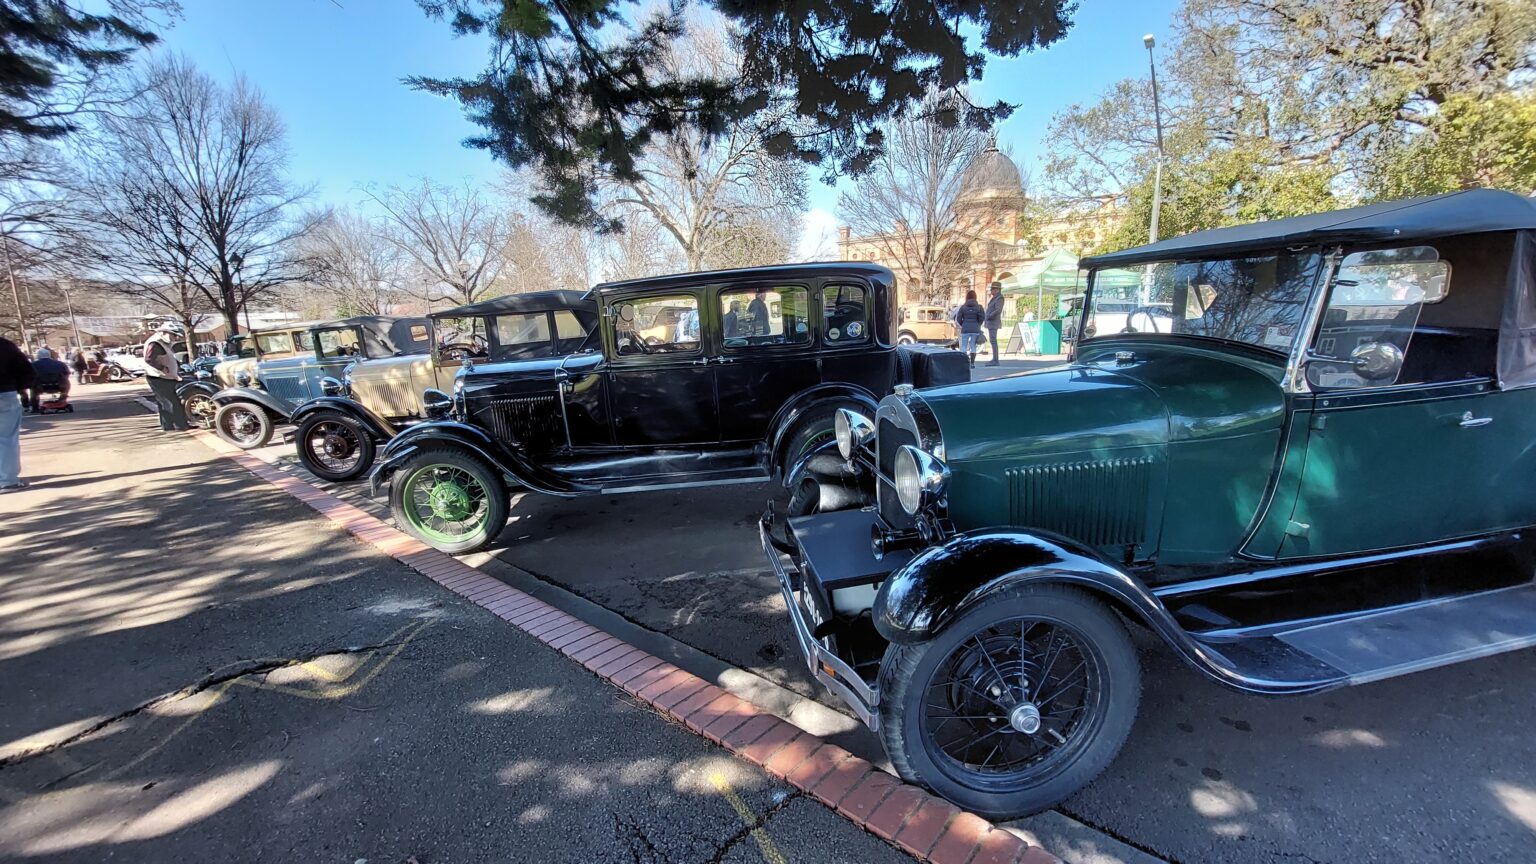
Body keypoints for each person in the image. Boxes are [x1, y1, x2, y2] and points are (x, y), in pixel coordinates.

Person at [143, 323, 190, 431]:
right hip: (158, 377)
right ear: (164, 332)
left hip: (163, 376)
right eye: (173, 335)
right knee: (171, 402)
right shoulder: (155, 343)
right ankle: (181, 425)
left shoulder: (161, 342)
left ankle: (167, 425)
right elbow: (149, 359)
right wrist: (162, 368)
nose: (175, 338)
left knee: (164, 402)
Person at [0, 336, 31, 491]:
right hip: (5, 392)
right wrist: (22, 388)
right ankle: (7, 480)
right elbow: (26, 370)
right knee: (6, 438)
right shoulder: (5, 345)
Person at [27, 347, 70, 413]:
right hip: (59, 386)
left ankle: (34, 407)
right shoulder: (60, 364)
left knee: (33, 387)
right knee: (67, 382)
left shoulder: (34, 365)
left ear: (39, 356)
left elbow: (29, 375)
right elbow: (67, 373)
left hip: (40, 387)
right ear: (49, 355)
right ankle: (62, 397)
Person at [953, 289, 986, 368]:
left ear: (967, 297)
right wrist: (978, 324)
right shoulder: (979, 307)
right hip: (975, 329)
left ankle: (964, 363)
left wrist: (963, 324)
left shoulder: (963, 307)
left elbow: (958, 318)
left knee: (963, 346)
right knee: (973, 346)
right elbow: (982, 317)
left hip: (965, 328)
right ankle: (972, 363)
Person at [984, 282, 1005, 367]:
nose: (991, 291)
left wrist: (989, 316)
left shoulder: (999, 298)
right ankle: (994, 359)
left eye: (992, 289)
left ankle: (995, 360)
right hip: (991, 322)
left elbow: (998, 310)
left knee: (993, 341)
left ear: (997, 290)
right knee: (992, 341)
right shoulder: (995, 298)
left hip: (993, 322)